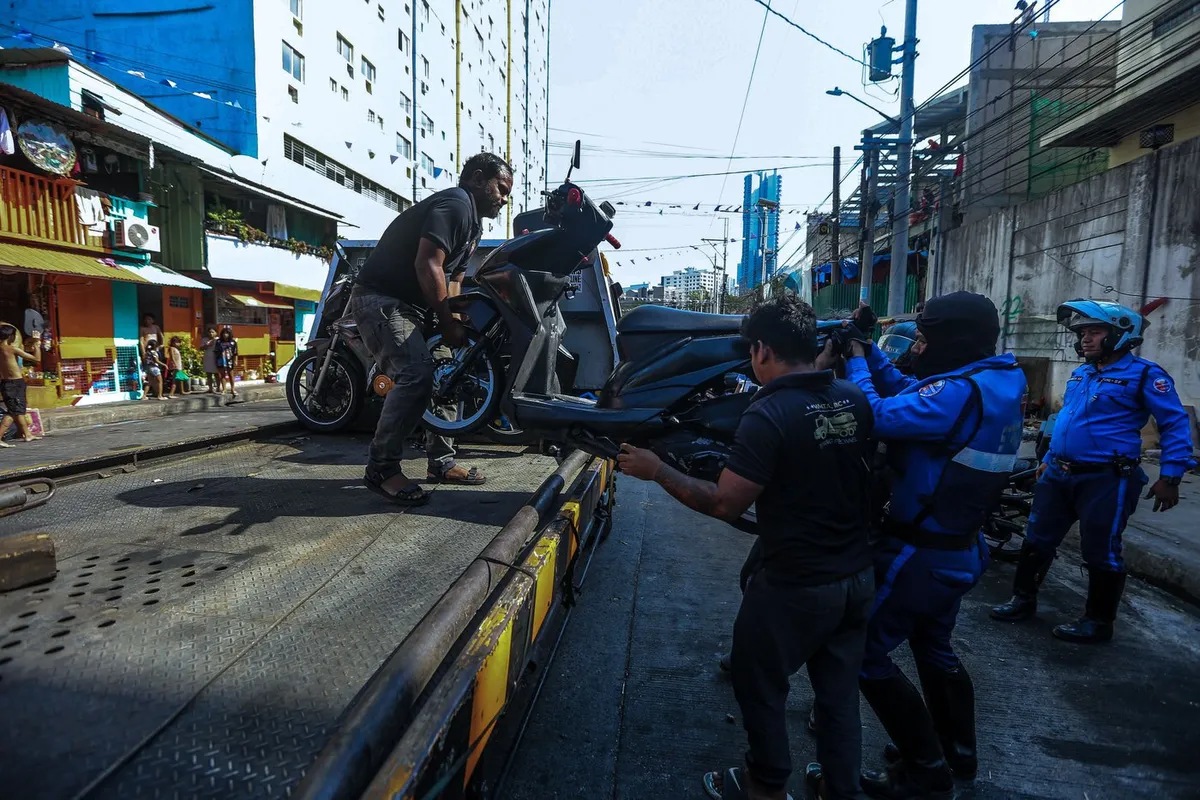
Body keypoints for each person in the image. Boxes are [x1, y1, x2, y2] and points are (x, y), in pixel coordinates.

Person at [619, 295, 875, 800]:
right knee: (839, 697)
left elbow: (724, 504)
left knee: (759, 685)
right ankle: (841, 789)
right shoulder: (852, 398)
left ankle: (764, 785)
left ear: (760, 351)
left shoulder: (769, 413)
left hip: (795, 585)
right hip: (856, 579)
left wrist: (657, 469)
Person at [842, 292, 1026, 799]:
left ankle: (925, 771)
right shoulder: (996, 379)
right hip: (957, 549)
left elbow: (877, 415)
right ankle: (956, 752)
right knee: (933, 647)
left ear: (953, 340)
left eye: (926, 338)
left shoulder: (960, 391)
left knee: (862, 655)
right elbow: (915, 393)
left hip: (920, 553)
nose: (918, 347)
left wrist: (857, 365)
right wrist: (872, 352)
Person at [991, 299, 1194, 643]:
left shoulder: (1145, 374)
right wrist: (1048, 458)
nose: (1085, 339)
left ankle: (1098, 622)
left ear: (1120, 335)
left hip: (1106, 478)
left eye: (1094, 332)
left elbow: (1174, 424)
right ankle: (1022, 600)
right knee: (1037, 538)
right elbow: (1067, 419)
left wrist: (1170, 476)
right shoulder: (1083, 372)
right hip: (1058, 473)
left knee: (1100, 548)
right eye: (1083, 333)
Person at [348, 152, 512, 506]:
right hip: (382, 299)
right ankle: (382, 468)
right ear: (478, 178)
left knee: (450, 371)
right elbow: (428, 263)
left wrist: (454, 322)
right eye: (501, 188)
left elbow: (453, 277)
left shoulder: (474, 225)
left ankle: (441, 462)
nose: (504, 198)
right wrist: (446, 319)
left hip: (420, 306)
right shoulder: (456, 204)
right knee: (416, 374)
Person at [0, 323, 43, 445]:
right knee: (13, 412)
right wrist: (36, 344)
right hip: (15, 383)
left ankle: (27, 434)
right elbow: (36, 359)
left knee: (18, 410)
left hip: (5, 383)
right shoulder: (11, 349)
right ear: (10, 337)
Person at [214, 327, 239, 398]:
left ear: (230, 334)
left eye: (227, 333)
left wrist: (235, 360)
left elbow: (235, 352)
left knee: (231, 375)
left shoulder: (233, 342)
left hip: (229, 360)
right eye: (224, 333)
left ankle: (232, 389)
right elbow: (216, 351)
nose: (225, 335)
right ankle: (224, 389)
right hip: (220, 359)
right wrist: (215, 360)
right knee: (222, 375)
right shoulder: (218, 341)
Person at [201, 326, 220, 392]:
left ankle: (218, 388)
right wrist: (207, 345)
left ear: (216, 333)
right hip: (207, 357)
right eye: (209, 332)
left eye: (212, 332)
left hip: (215, 358)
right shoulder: (204, 339)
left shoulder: (218, 339)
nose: (211, 333)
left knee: (216, 373)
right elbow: (201, 348)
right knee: (208, 374)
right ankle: (210, 388)